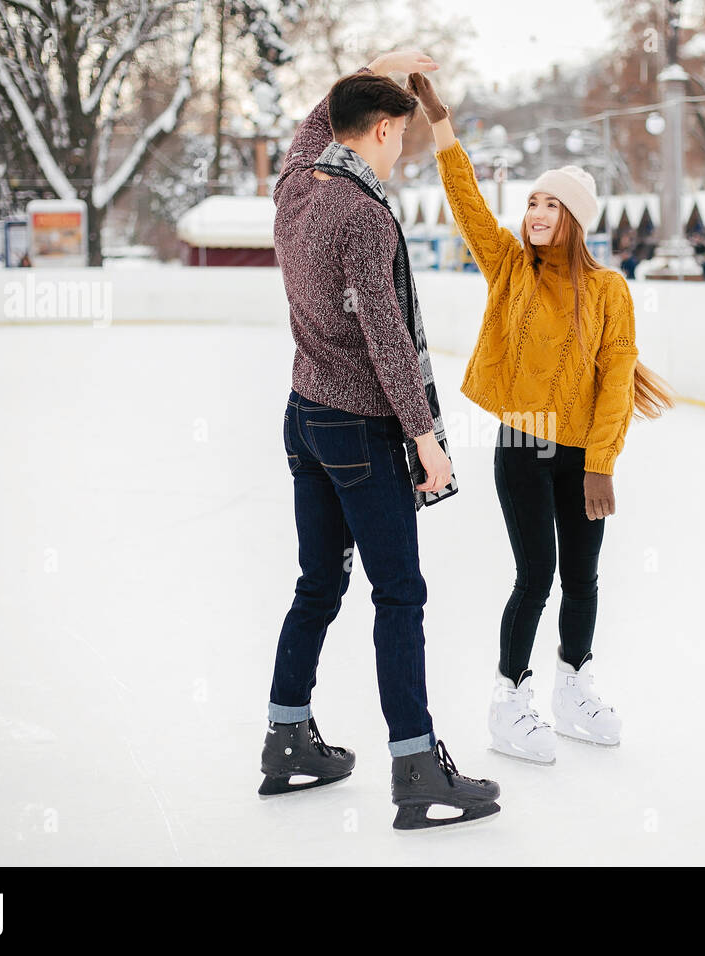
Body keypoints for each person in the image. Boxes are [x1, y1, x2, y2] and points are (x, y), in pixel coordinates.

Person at [264, 51, 500, 830]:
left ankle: (287, 737)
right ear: (384, 130)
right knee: (399, 593)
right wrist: (426, 439)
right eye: (400, 138)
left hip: (305, 416)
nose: (402, 153)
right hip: (361, 428)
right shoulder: (362, 214)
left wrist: (375, 66)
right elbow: (389, 339)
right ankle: (415, 764)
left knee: (317, 587)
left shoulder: (298, 187)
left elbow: (312, 127)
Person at [412, 70, 676, 764]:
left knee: (583, 578)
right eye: (531, 201)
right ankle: (509, 698)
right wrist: (442, 125)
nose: (535, 212)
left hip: (584, 454)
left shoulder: (609, 290)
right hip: (522, 447)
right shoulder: (509, 268)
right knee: (535, 575)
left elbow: (616, 381)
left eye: (550, 204)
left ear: (575, 219)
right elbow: (466, 202)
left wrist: (601, 464)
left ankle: (572, 687)